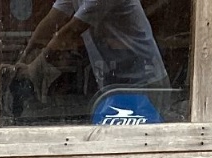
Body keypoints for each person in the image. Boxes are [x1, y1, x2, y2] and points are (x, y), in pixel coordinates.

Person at [10, 0, 169, 100]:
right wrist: (23, 58)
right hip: (114, 84)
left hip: (145, 83)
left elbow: (71, 32)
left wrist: (34, 68)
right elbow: (51, 21)